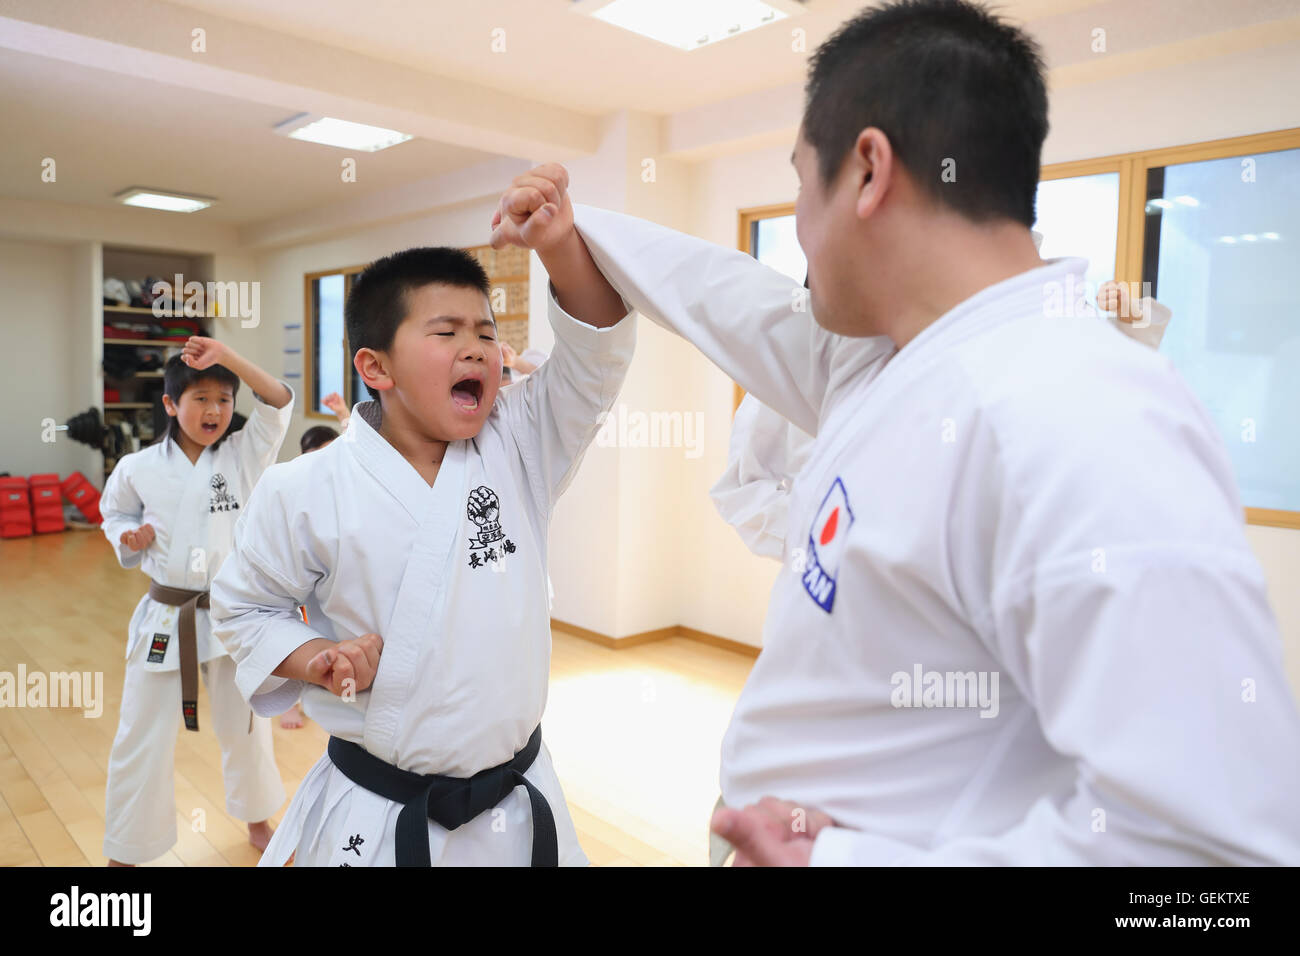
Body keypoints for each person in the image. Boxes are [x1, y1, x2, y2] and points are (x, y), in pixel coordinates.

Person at [497, 0, 1300, 865]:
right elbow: (725, 295)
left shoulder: (1080, 411)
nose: (799, 222)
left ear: (870, 171)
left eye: (804, 181)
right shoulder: (881, 359)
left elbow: (1216, 865)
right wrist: (577, 235)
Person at [211, 202, 633, 866]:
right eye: (446, 332)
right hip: (381, 813)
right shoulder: (302, 488)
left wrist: (558, 246)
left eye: (486, 333)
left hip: (516, 802)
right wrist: (315, 657)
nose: (476, 348)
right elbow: (243, 607)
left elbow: (593, 359)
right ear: (375, 368)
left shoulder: (522, 443)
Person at [713, 271, 1175, 562]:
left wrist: (1129, 328)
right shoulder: (784, 380)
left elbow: (1077, 405)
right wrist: (830, 539)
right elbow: (742, 491)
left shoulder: (943, 358)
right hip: (839, 591)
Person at [97, 338, 294, 866]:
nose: (213, 411)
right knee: (141, 733)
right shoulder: (137, 467)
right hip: (169, 611)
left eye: (224, 400)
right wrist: (127, 537)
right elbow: (112, 514)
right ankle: (127, 848)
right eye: (200, 399)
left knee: (248, 728)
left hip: (235, 614)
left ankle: (258, 818)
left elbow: (276, 399)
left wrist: (228, 356)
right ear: (169, 405)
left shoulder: (245, 452)